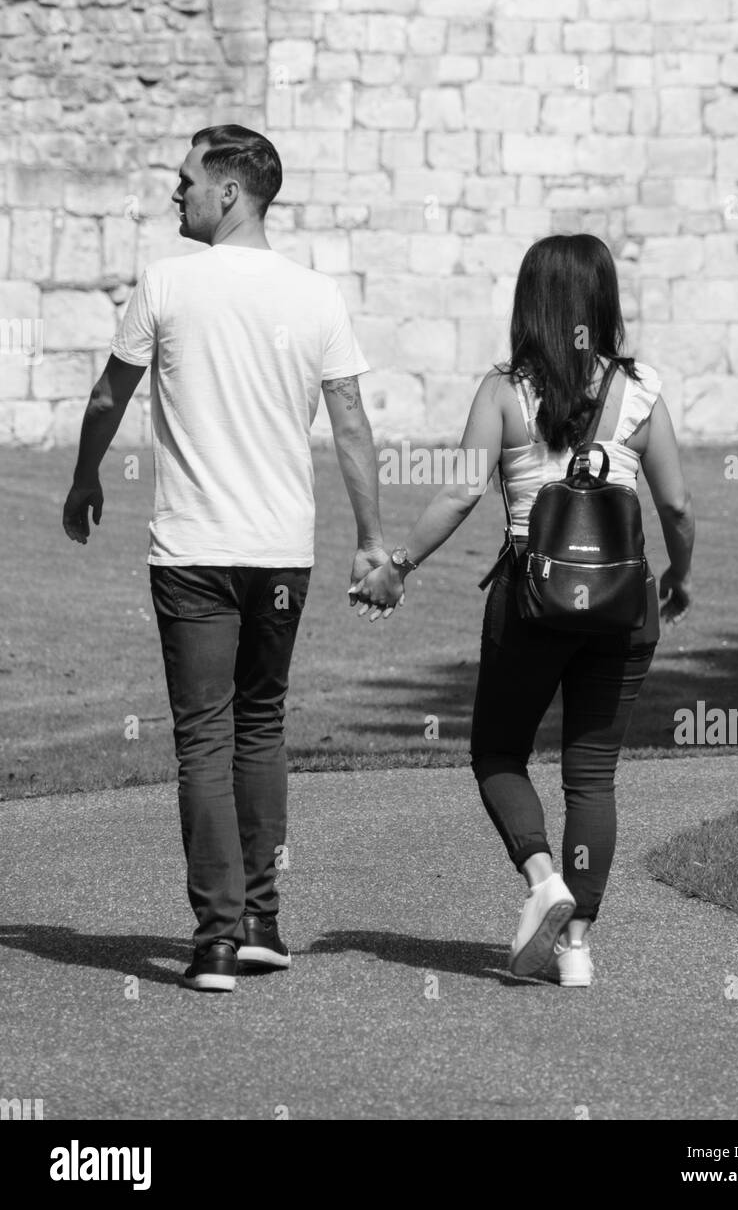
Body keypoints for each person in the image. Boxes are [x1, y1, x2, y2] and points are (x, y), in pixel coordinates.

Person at [62, 124, 393, 992]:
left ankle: (215, 939)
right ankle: (263, 920)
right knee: (260, 728)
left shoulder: (168, 284)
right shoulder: (316, 295)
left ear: (231, 194)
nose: (176, 195)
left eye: (186, 182)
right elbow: (351, 421)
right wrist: (369, 542)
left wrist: (83, 478)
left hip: (194, 551)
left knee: (204, 738)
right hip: (281, 553)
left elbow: (108, 393)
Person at [352, 234, 695, 987]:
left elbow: (461, 491)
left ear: (531, 301)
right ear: (600, 302)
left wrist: (398, 566)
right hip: (623, 602)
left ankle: (543, 878)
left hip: (531, 599)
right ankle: (576, 948)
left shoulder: (506, 391)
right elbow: (673, 503)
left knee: (498, 752)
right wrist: (680, 576)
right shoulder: (641, 392)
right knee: (592, 776)